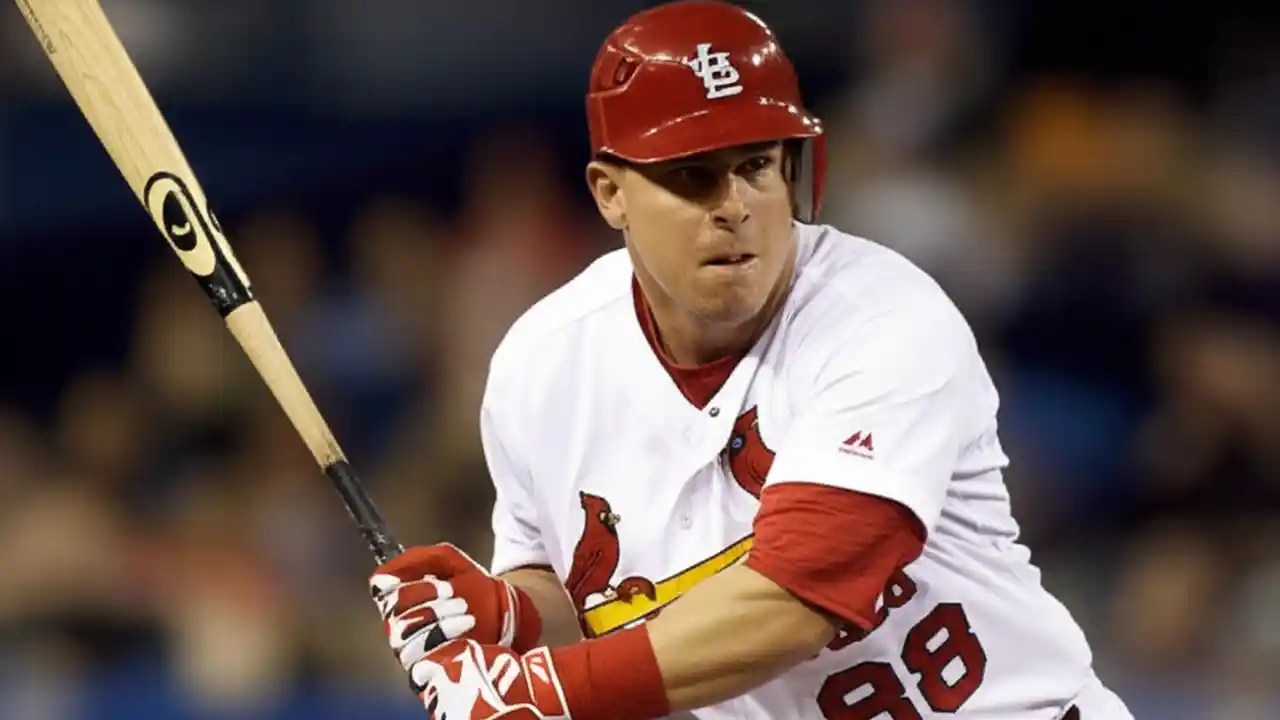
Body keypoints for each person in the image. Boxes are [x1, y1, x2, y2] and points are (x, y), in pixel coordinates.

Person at [367, 2, 1134, 718]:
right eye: (690, 175)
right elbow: (594, 594)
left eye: (757, 166)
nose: (733, 203)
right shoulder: (545, 364)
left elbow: (792, 603)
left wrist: (545, 692)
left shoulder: (882, 321)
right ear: (609, 194)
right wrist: (511, 614)